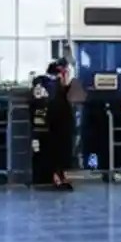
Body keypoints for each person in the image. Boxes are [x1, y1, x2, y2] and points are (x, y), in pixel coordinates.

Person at [30, 58, 76, 191]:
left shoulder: (45, 83)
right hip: (56, 123)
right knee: (58, 150)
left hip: (48, 123)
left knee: (54, 150)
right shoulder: (54, 86)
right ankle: (56, 175)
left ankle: (57, 174)